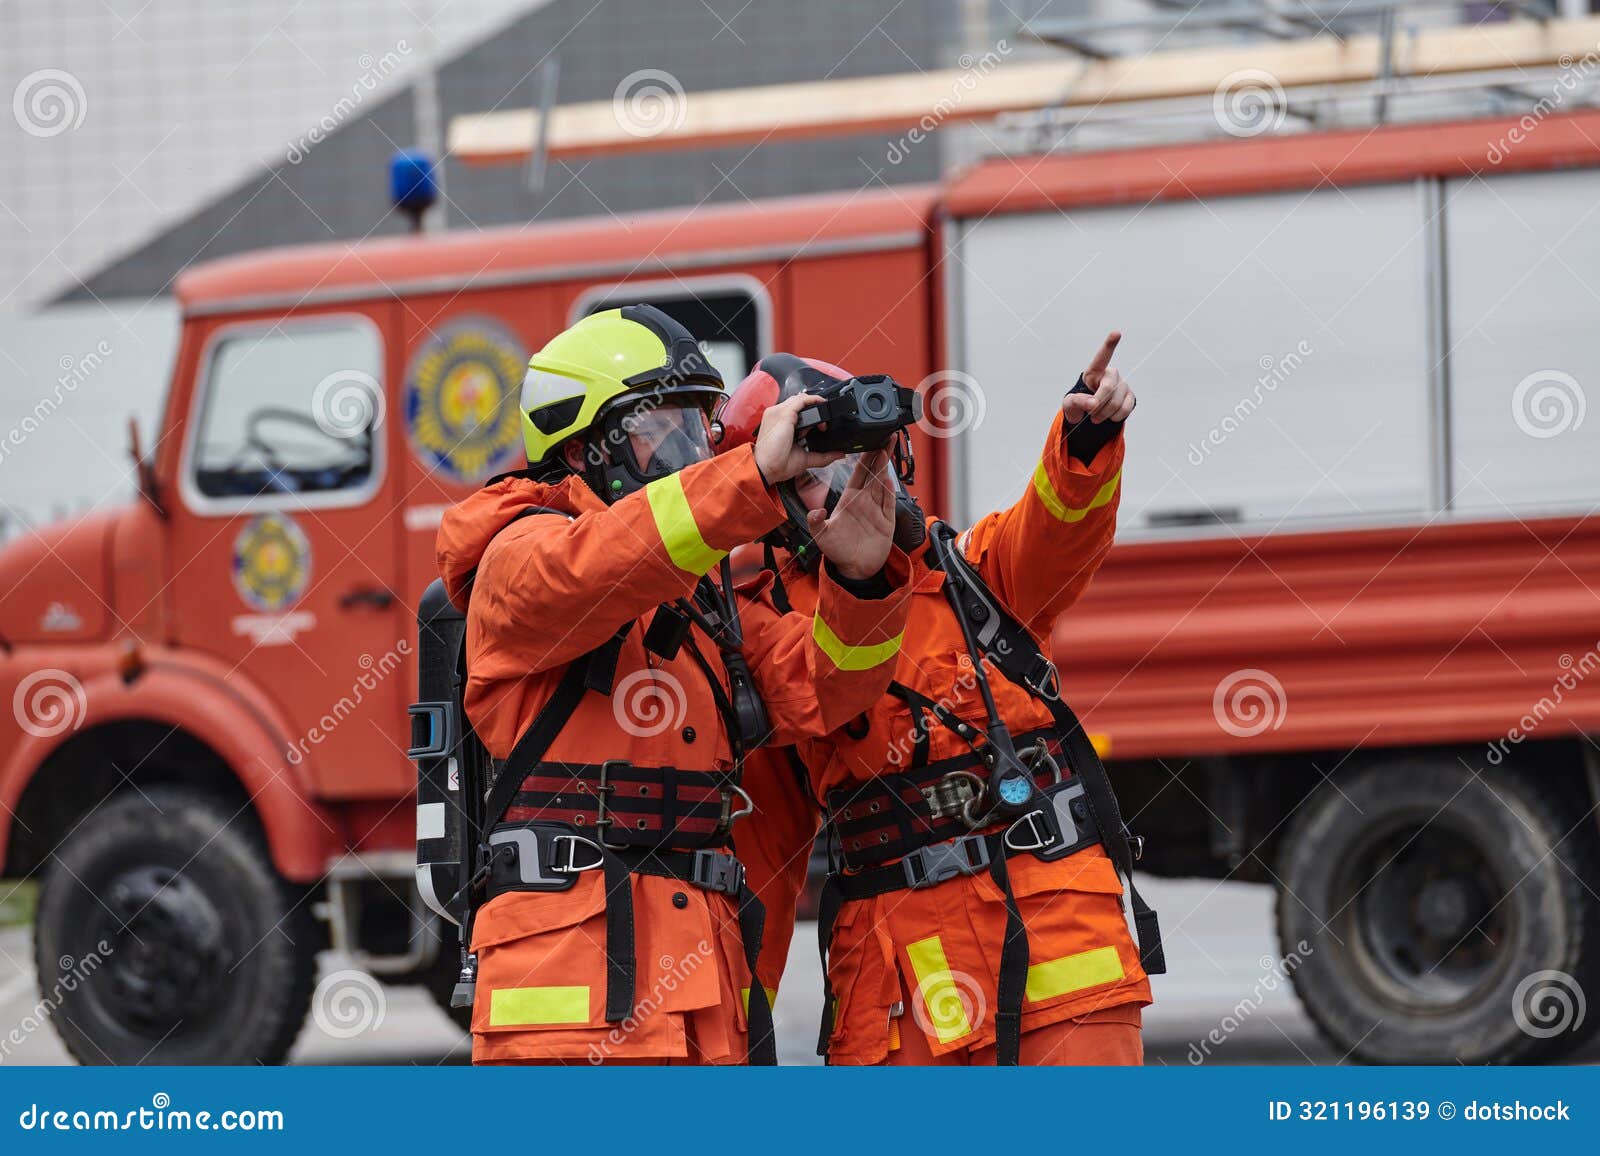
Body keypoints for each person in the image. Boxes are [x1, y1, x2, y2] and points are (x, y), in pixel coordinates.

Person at [435, 305, 911, 1065]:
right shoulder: (515, 559)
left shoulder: (696, 598)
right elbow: (600, 566)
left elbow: (827, 690)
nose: (692, 451)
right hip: (571, 994)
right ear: (587, 447)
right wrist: (747, 480)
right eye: (663, 428)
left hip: (701, 980)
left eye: (700, 427)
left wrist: (861, 576)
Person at [719, 337, 1161, 1065]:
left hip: (1059, 955)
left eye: (855, 459)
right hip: (898, 987)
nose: (842, 487)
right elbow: (762, 863)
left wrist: (1086, 436)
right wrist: (738, 1039)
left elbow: (1058, 531)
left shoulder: (977, 573)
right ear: (768, 504)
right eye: (809, 472)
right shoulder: (763, 644)